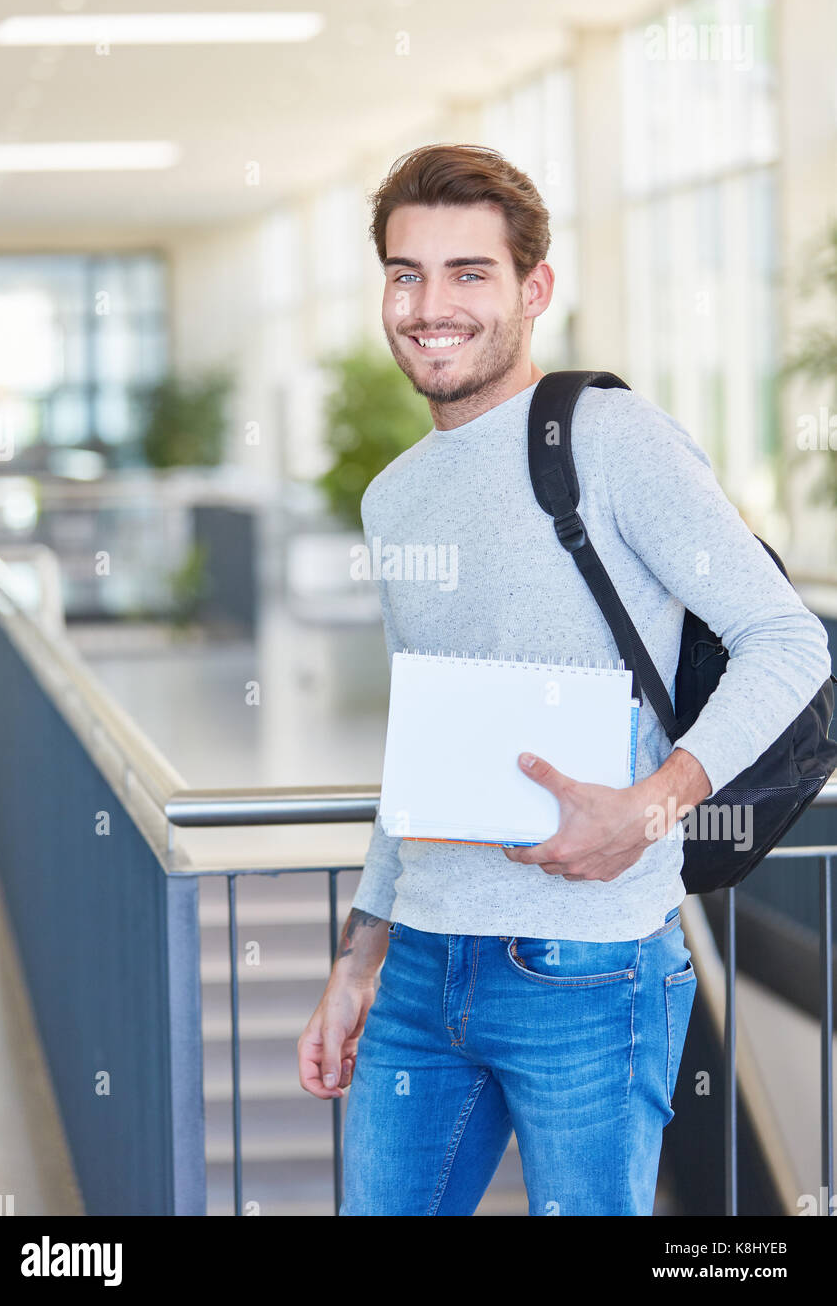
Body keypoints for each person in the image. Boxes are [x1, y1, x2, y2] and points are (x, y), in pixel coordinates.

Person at [297, 143, 833, 1215]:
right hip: (418, 969)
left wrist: (647, 807)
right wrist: (361, 954)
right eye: (405, 273)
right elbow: (423, 738)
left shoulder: (613, 438)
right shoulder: (395, 497)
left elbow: (788, 641)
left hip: (587, 966)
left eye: (467, 273)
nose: (429, 305)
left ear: (532, 288)